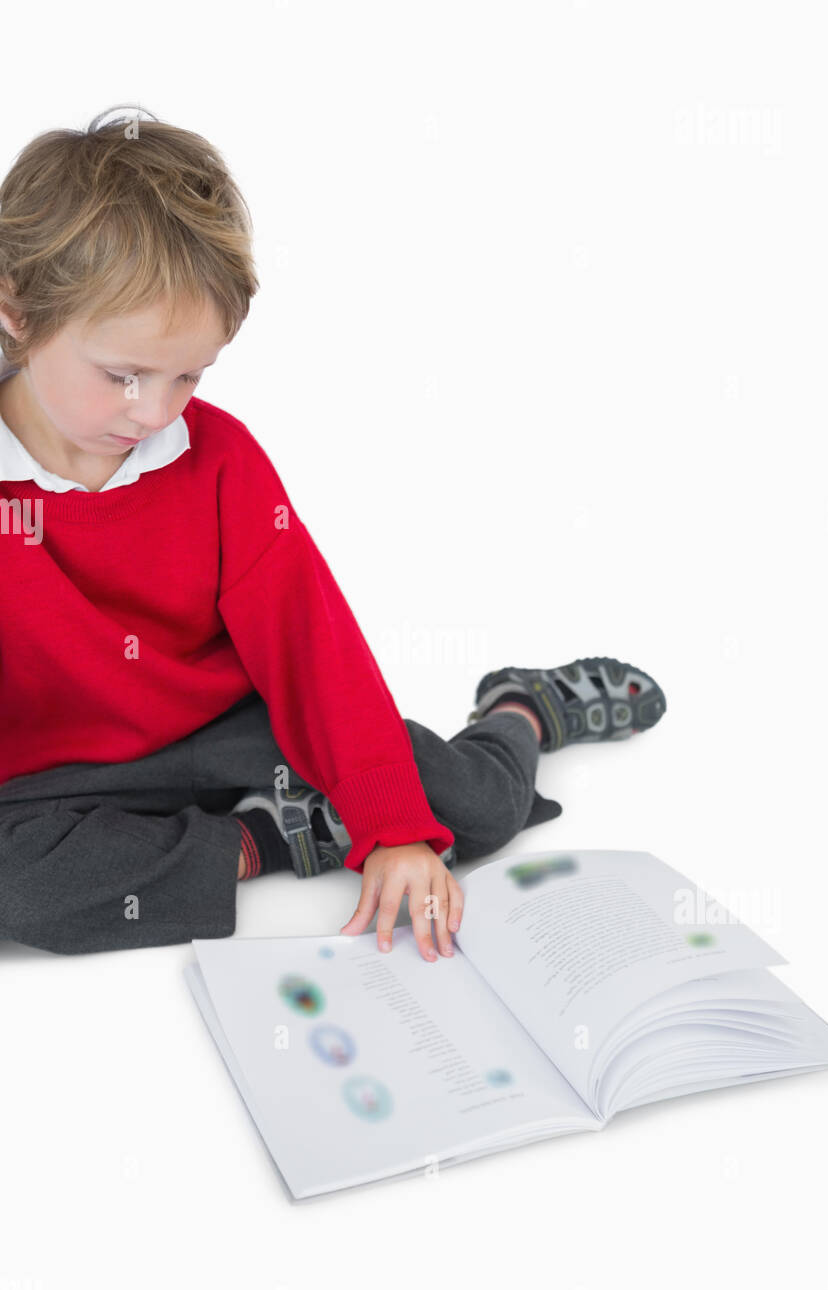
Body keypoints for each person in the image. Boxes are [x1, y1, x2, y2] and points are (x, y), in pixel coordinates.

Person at [0, 106, 666, 962]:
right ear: (15, 309)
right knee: (26, 890)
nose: (158, 411)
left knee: (469, 811)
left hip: (234, 728)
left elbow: (310, 646)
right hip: (53, 778)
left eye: (189, 376)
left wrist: (391, 824)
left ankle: (521, 711)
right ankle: (271, 839)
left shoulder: (218, 458)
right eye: (123, 376)